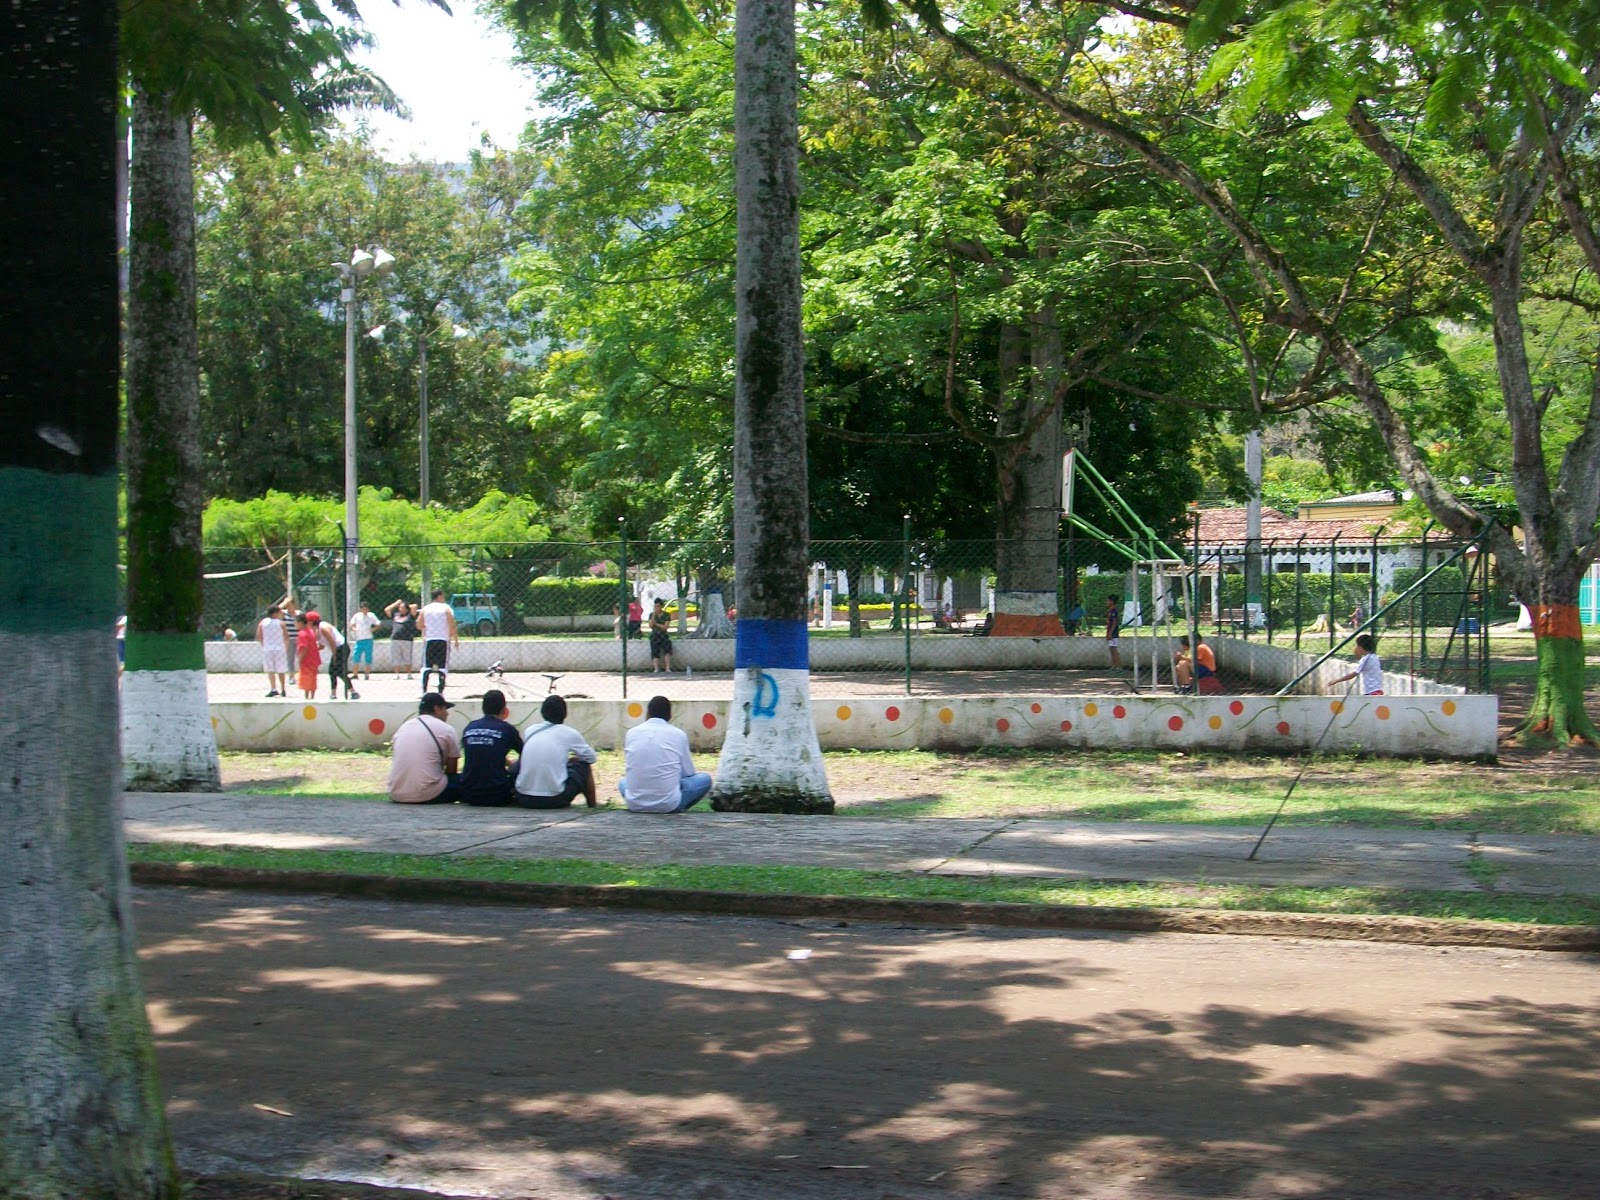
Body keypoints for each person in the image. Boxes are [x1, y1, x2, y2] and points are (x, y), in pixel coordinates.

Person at [619, 695, 713, 813]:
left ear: (647, 714)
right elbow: (688, 773)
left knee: (623, 782)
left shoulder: (631, 733)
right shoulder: (678, 734)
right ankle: (679, 809)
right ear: (669, 716)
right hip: (668, 804)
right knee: (704, 779)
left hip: (634, 803)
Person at [514, 694, 599, 809]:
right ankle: (592, 807)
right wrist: (574, 759)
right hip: (554, 798)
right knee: (584, 766)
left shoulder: (530, 730)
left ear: (542, 712)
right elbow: (591, 758)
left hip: (523, 797)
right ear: (565, 714)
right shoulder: (569, 733)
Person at [387, 692, 463, 804]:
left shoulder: (404, 727)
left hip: (396, 793)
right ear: (436, 709)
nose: (447, 714)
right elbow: (451, 770)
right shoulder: (447, 730)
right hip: (429, 794)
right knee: (468, 781)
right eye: (445, 709)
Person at [460, 689, 523, 807]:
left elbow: (483, 752)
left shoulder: (470, 728)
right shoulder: (507, 729)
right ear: (504, 710)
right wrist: (512, 766)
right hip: (498, 794)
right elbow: (526, 754)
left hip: (469, 793)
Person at [418, 590, 458, 695]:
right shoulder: (446, 608)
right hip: (443, 640)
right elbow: (452, 624)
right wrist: (455, 639)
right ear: (439, 596)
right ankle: (440, 692)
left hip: (430, 640)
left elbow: (419, 624)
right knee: (442, 667)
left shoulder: (425, 608)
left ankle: (424, 691)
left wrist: (427, 628)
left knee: (426, 666)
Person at [317, 613, 357, 699]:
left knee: (337, 671)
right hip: (338, 649)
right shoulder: (317, 630)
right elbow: (322, 646)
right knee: (334, 672)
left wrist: (335, 655)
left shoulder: (322, 628)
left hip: (341, 648)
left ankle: (351, 692)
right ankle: (336, 693)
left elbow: (332, 642)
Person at [256, 604, 290, 697]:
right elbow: (286, 636)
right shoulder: (281, 623)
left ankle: (273, 688)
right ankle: (283, 689)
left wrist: (264, 645)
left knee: (270, 669)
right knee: (281, 669)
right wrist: (285, 647)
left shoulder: (263, 622)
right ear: (275, 613)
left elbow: (259, 635)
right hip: (279, 648)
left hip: (268, 648)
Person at [385, 597, 418, 678]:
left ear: (407, 609)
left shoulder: (410, 615)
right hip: (395, 639)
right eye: (399, 608)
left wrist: (406, 605)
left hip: (407, 639)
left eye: (402, 608)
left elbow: (414, 606)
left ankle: (409, 674)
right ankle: (396, 674)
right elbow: (387, 610)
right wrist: (396, 604)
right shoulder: (395, 615)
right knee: (396, 657)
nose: (400, 609)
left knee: (407, 657)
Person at [348, 601, 381, 682]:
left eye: (366, 609)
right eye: (363, 609)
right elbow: (351, 623)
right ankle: (355, 674)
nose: (364, 611)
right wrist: (354, 629)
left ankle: (367, 674)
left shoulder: (371, 615)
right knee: (356, 656)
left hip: (368, 638)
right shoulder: (357, 615)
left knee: (368, 656)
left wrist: (373, 629)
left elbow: (378, 623)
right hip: (359, 639)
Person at [294, 611, 322, 700]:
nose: (295, 625)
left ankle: (306, 697)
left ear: (301, 623)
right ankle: (312, 696)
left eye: (296, 623)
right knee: (313, 678)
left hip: (307, 660)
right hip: (314, 659)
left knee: (306, 678)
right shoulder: (311, 631)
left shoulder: (302, 633)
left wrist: (300, 659)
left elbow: (304, 648)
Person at [649, 598, 674, 672]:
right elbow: (650, 626)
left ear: (661, 606)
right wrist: (653, 616)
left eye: (658, 606)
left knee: (667, 650)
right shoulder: (652, 614)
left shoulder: (666, 615)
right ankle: (656, 668)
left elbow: (665, 627)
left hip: (663, 635)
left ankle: (667, 668)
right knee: (654, 651)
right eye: (655, 606)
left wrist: (656, 624)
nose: (656, 608)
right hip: (655, 635)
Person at [1104, 594, 1123, 669]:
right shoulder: (1110, 610)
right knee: (1111, 649)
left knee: (1114, 649)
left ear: (1112, 601)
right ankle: (1113, 666)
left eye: (1108, 601)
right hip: (1110, 632)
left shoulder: (1114, 610)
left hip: (1113, 633)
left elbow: (1115, 622)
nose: (1106, 602)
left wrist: (1110, 633)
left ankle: (1119, 666)